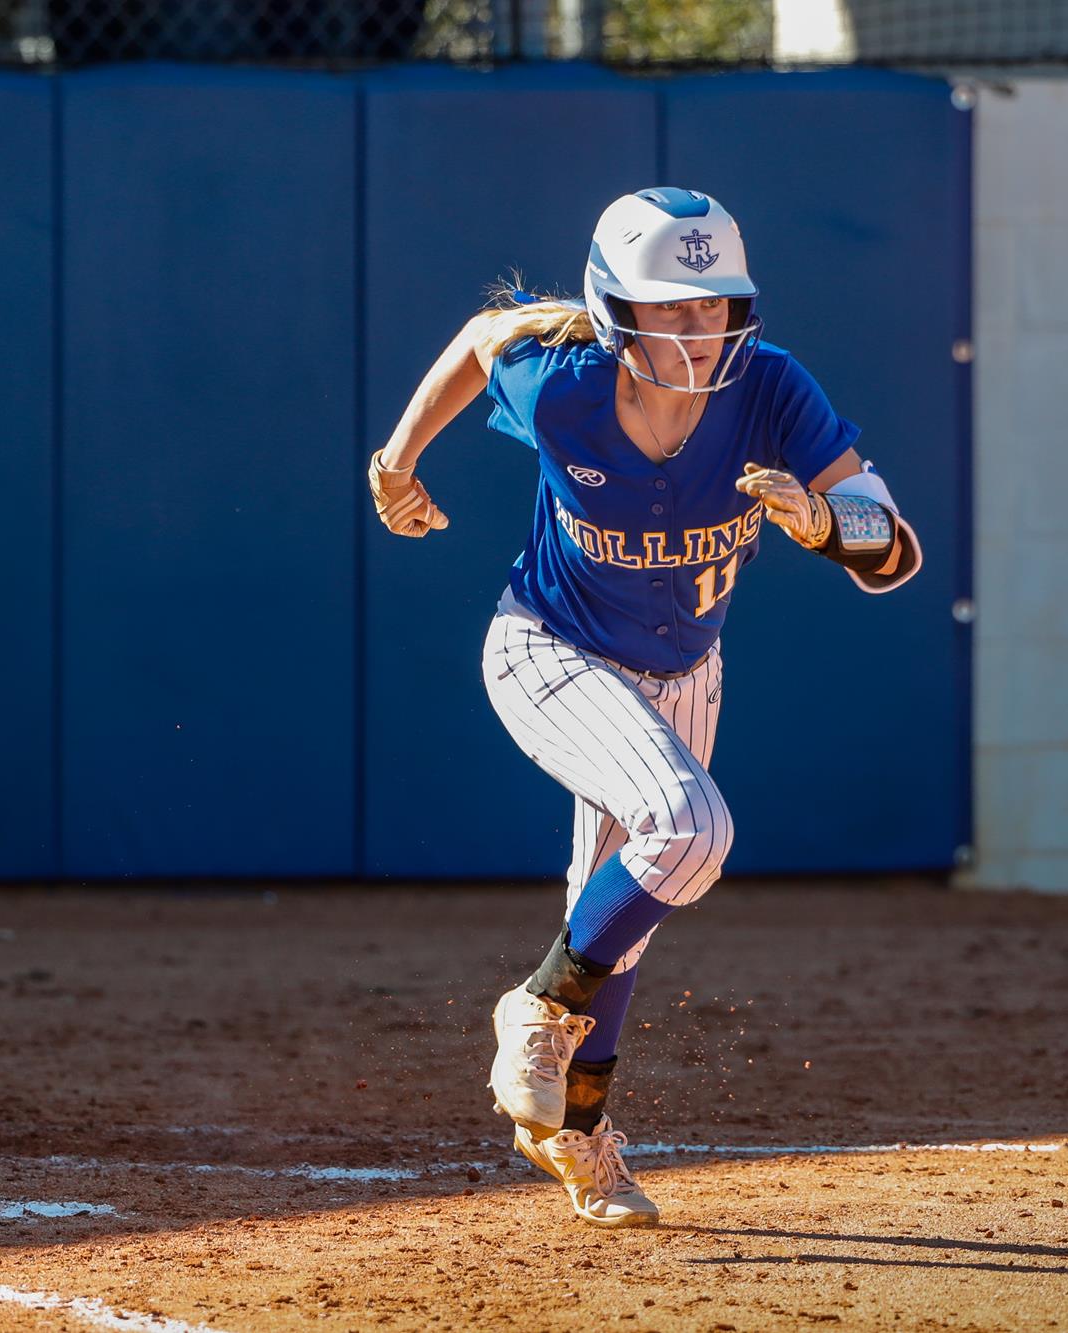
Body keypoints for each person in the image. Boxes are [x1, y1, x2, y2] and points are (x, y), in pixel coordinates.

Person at [366, 188, 920, 1227]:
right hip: (548, 649)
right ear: (614, 306)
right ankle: (535, 1007)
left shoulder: (768, 387)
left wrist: (824, 522)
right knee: (692, 826)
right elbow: (486, 338)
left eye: (712, 305)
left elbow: (890, 542)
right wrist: (396, 462)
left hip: (684, 672)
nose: (696, 329)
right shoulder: (563, 383)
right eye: (668, 306)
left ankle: (577, 1135)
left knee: (622, 908)